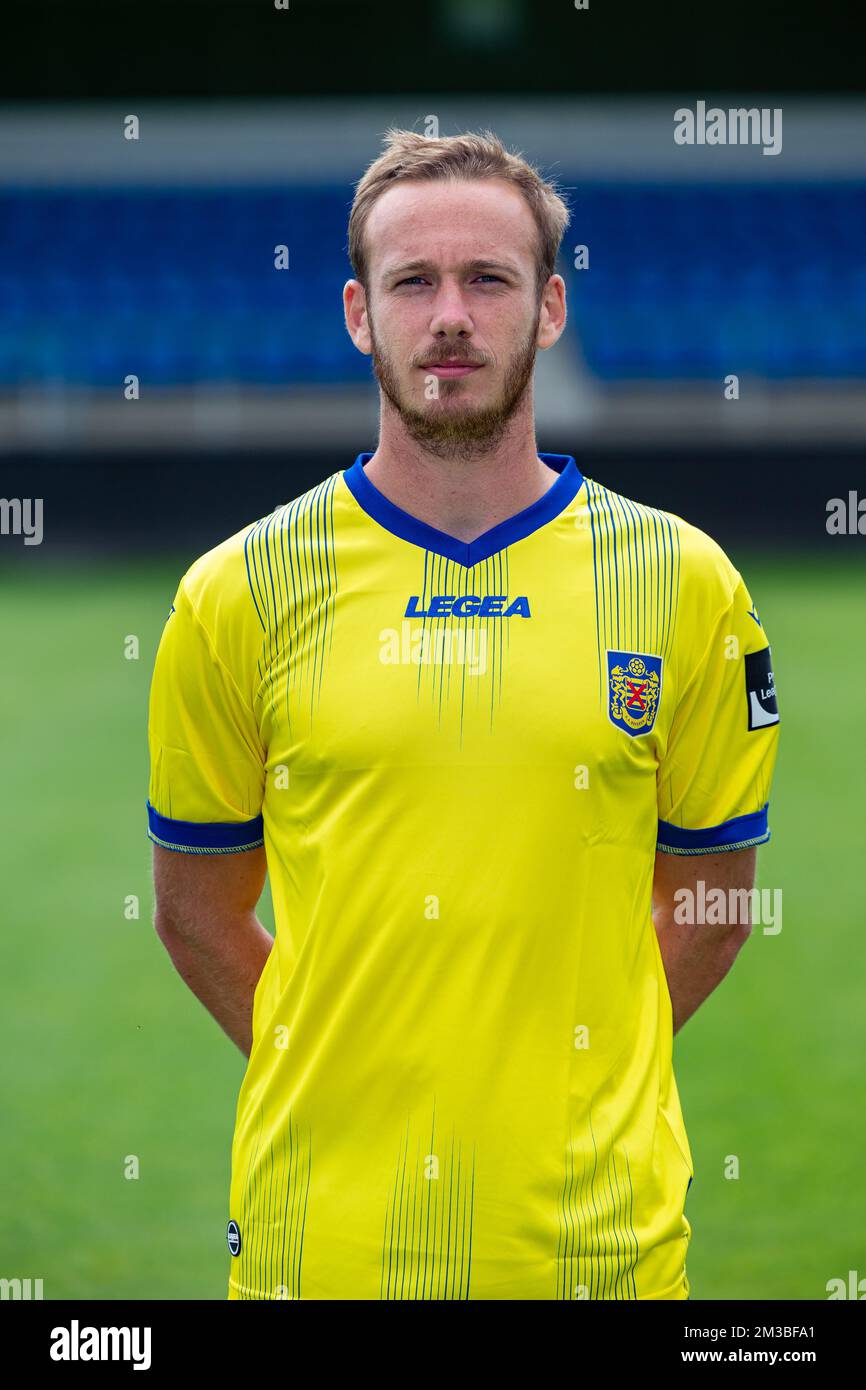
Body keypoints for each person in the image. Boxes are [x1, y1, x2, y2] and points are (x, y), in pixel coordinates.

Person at [147, 129, 780, 1300]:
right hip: (316, 1245)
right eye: (412, 282)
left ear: (546, 309)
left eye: (487, 280)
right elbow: (193, 911)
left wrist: (571, 1077)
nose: (450, 316)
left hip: (596, 1248)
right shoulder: (235, 591)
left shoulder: (686, 585)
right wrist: (342, 1065)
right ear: (357, 312)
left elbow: (708, 903)